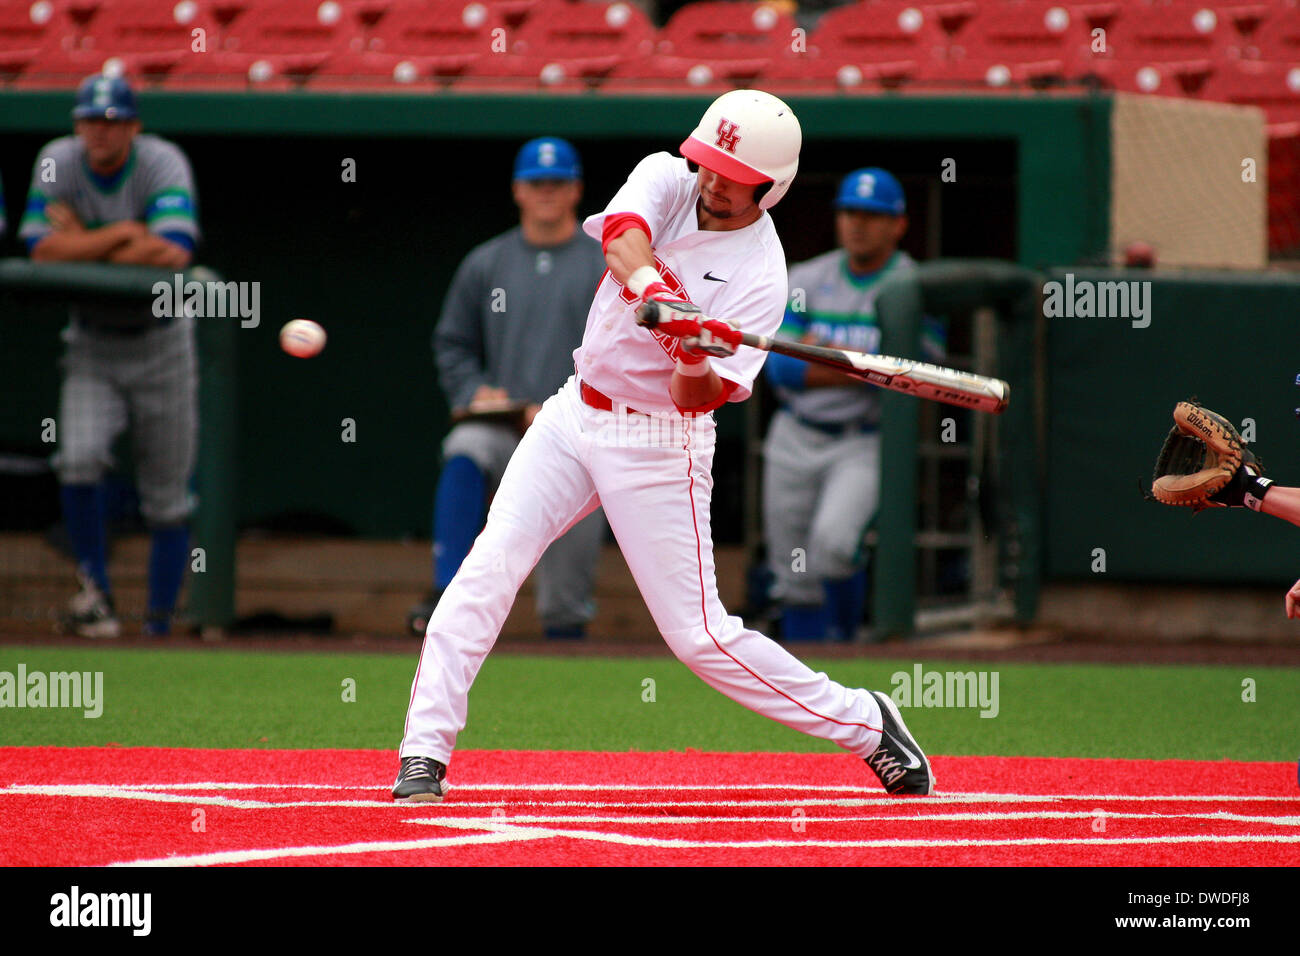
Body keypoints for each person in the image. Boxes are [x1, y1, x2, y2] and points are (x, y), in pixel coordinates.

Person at [392, 90, 935, 802]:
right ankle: (423, 754)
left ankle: (868, 722)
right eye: (708, 161)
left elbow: (700, 397)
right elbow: (621, 238)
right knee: (489, 568)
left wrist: (689, 353)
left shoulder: (761, 276)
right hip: (573, 412)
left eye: (729, 173)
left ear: (768, 187)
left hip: (658, 440)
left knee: (700, 637)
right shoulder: (666, 177)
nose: (711, 180)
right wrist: (663, 296)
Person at [19, 74, 200, 638]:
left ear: (133, 126)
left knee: (168, 497)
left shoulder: (162, 161)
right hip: (93, 340)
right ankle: (95, 596)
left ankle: (160, 627)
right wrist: (125, 233)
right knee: (78, 458)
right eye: (90, 120)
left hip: (163, 339)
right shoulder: (57, 160)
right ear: (77, 124)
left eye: (112, 120)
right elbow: (40, 248)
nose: (99, 130)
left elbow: (172, 251)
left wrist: (89, 236)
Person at [406, 137, 608, 640]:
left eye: (557, 182)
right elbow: (452, 343)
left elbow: (625, 353)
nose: (546, 191)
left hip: (578, 432)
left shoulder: (603, 262)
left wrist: (569, 404)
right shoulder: (486, 262)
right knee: (465, 447)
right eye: (536, 183)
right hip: (506, 426)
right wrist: (475, 391)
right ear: (518, 190)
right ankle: (445, 592)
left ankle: (564, 675)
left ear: (576, 190)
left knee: (565, 599)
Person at [761, 168, 943, 641]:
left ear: (898, 224)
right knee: (793, 571)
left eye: (872, 215)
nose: (857, 224)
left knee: (835, 545)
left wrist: (824, 355)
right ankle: (799, 675)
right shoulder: (807, 276)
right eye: (849, 213)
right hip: (795, 431)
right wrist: (866, 365)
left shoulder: (915, 285)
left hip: (863, 439)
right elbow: (781, 369)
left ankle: (847, 651)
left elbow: (912, 376)